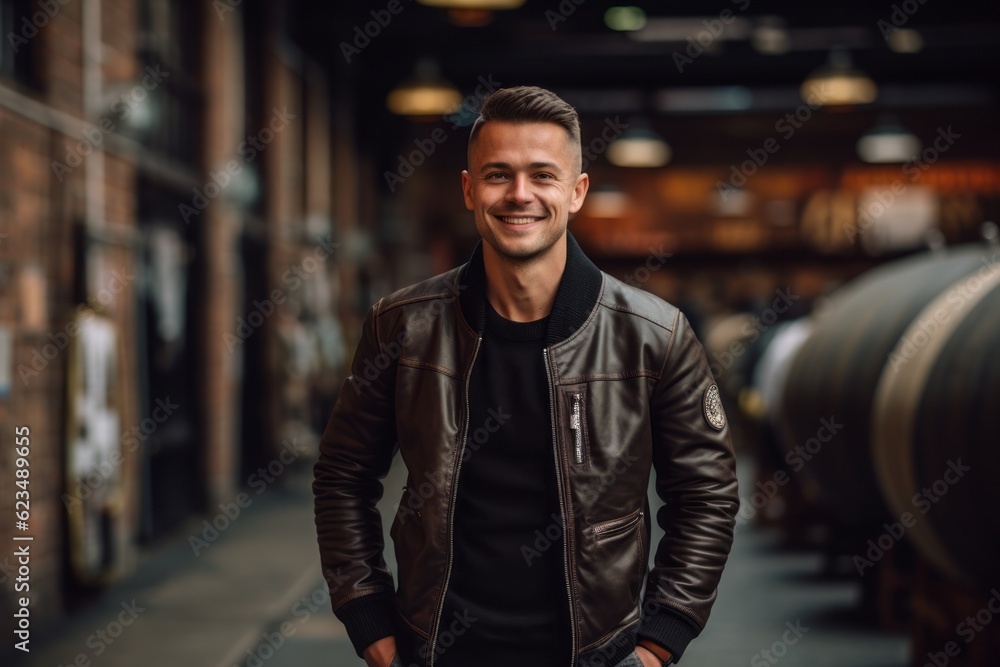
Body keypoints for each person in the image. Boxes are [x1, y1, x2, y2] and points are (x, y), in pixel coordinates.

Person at [313, 86, 739, 667]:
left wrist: (660, 640)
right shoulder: (401, 327)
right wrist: (369, 620)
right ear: (469, 189)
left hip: (597, 654)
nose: (520, 195)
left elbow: (706, 496)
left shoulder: (654, 335)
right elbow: (342, 477)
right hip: (435, 649)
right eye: (497, 174)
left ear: (577, 191)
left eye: (542, 175)